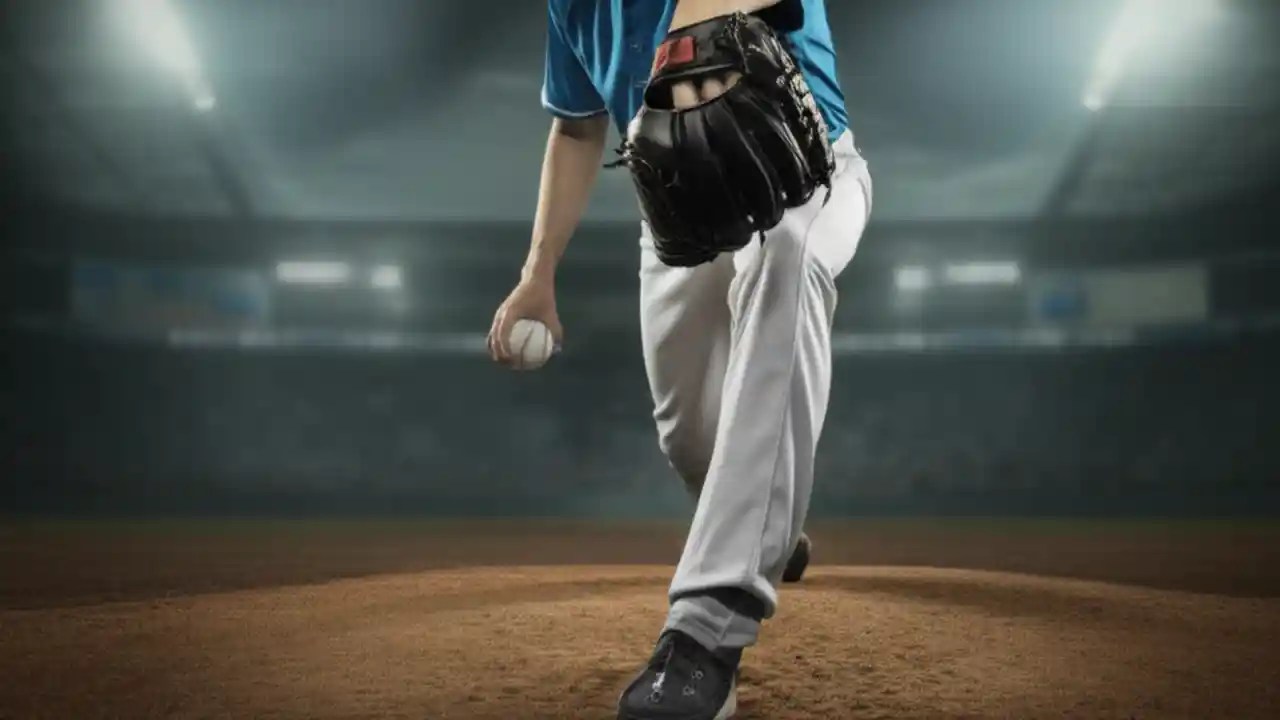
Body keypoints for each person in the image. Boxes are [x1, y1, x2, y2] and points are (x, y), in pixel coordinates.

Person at [486, 1, 872, 717]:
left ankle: (705, 634)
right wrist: (537, 273)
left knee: (785, 260)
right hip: (679, 214)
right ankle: (770, 527)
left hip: (798, 172)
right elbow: (575, 129)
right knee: (690, 436)